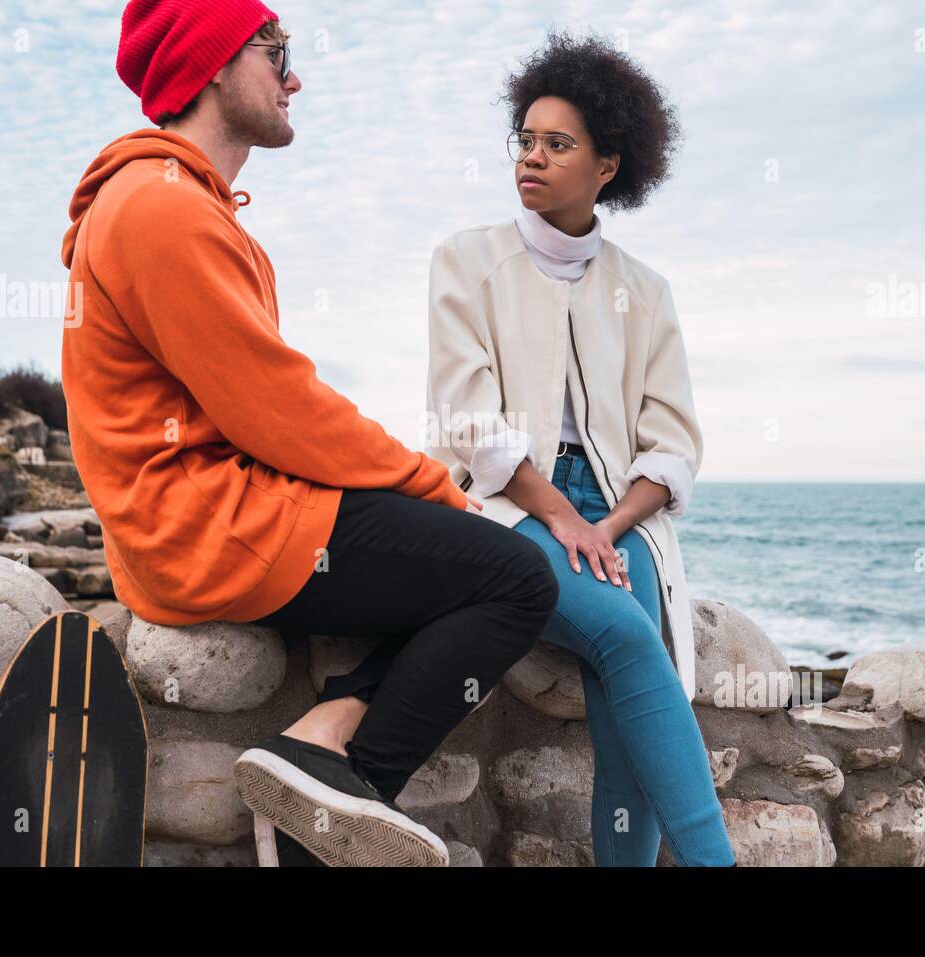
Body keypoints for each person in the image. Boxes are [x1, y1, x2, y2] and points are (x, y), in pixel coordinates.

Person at [60, 0, 558, 867]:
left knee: (450, 564)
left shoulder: (177, 202)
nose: (294, 75)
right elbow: (281, 409)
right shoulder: (160, 209)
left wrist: (418, 503)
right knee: (513, 575)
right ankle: (328, 797)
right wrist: (440, 488)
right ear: (212, 63)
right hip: (208, 525)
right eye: (274, 49)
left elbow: (262, 412)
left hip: (209, 513)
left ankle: (320, 752)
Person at [425, 31, 735, 866]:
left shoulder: (646, 290)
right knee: (628, 638)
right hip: (506, 505)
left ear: (607, 166)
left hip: (621, 510)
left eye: (557, 144)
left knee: (618, 688)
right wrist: (564, 517)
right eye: (524, 139)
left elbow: (670, 444)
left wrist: (610, 523)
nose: (531, 157)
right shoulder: (466, 261)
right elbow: (468, 420)